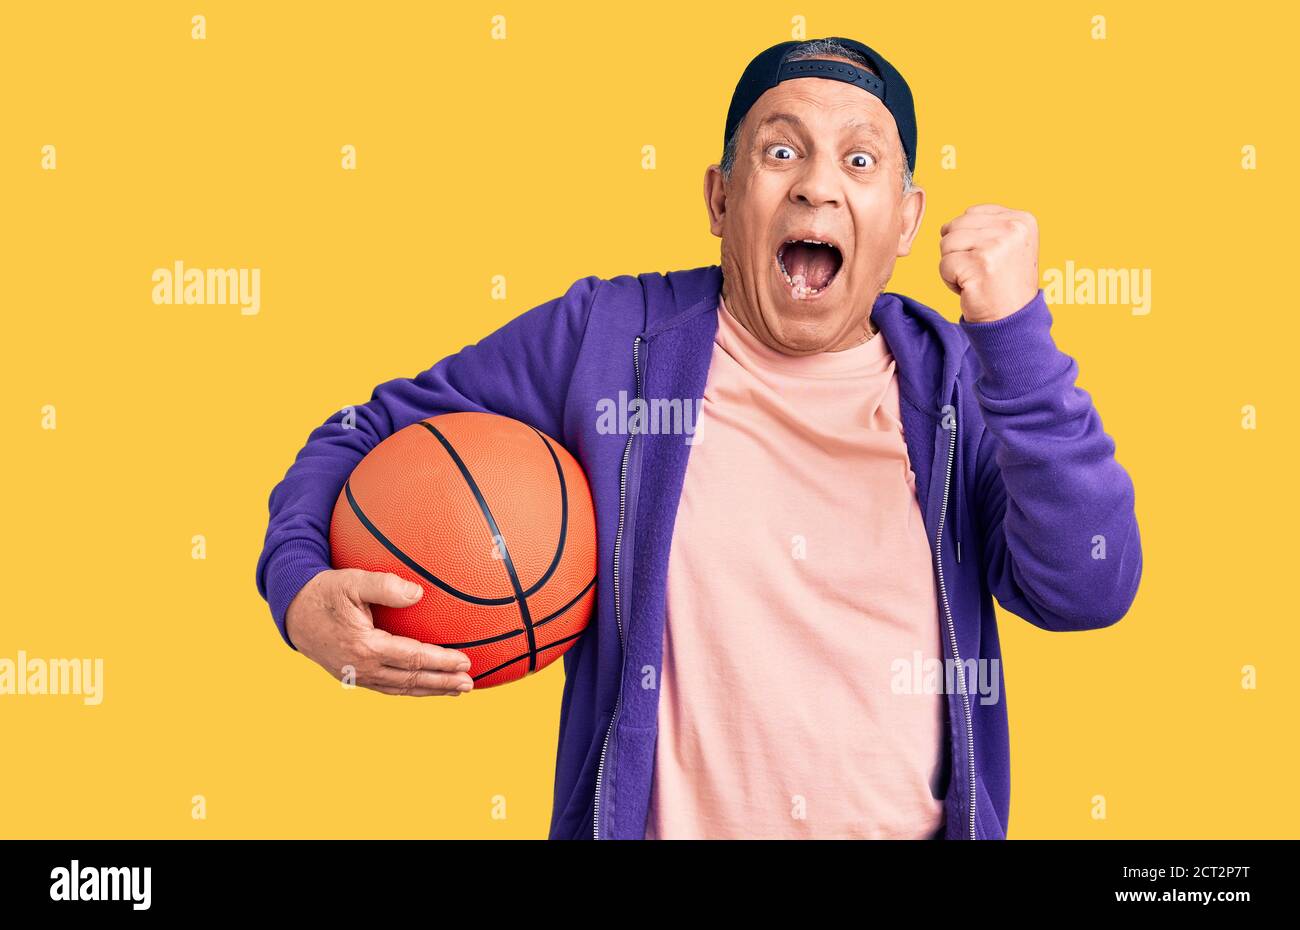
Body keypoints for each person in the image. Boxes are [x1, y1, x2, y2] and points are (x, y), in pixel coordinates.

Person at [255, 36, 1142, 839]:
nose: (816, 185)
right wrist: (298, 589)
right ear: (720, 198)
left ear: (905, 221)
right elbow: (362, 431)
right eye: (781, 151)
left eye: (859, 159)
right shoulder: (609, 340)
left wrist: (1017, 342)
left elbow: (1087, 588)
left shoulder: (958, 380)